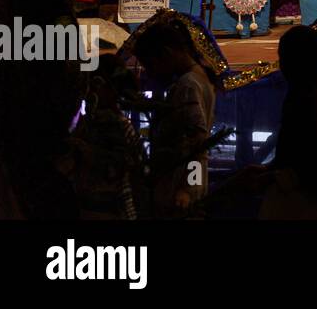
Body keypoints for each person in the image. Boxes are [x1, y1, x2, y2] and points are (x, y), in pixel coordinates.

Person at [255, 26, 317, 219]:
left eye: (284, 58)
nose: (281, 65)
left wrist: (270, 177)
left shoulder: (306, 100)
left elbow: (310, 165)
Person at [132, 20, 219, 218]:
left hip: (179, 194)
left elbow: (199, 144)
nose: (150, 73)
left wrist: (188, 189)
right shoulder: (200, 77)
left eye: (150, 65)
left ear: (167, 53)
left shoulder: (188, 85)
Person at [70, 54, 146, 220]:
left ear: (99, 85)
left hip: (114, 210)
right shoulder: (90, 122)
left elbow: (131, 172)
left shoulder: (120, 126)